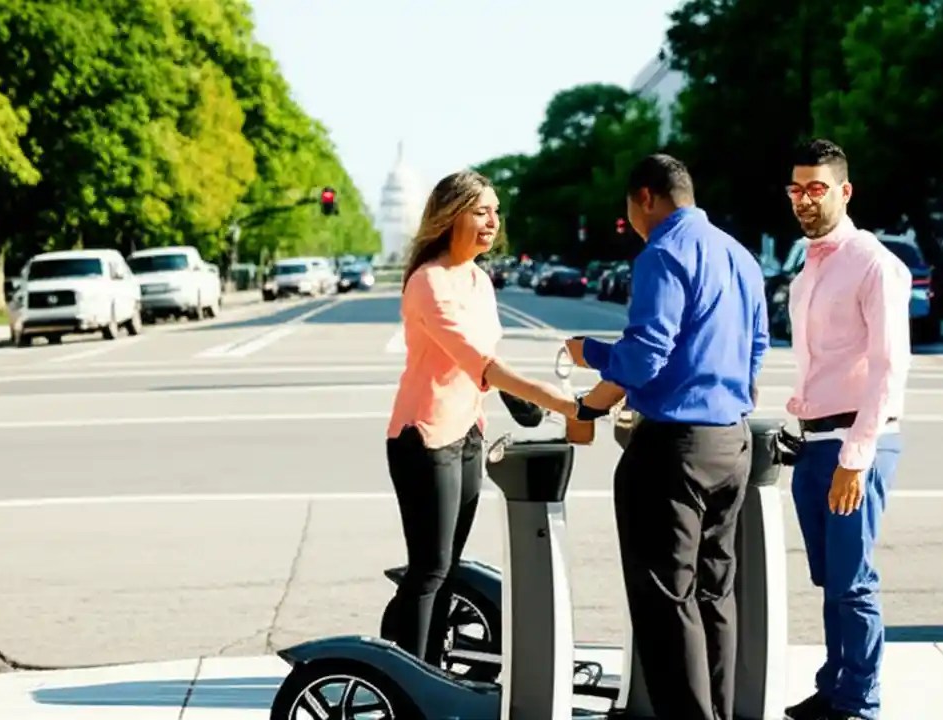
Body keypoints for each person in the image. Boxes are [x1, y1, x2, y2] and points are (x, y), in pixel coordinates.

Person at [563, 153, 770, 720]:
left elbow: (645, 354)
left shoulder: (663, 253)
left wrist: (591, 373)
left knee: (667, 606)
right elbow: (757, 348)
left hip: (674, 449)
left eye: (630, 208)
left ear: (646, 197)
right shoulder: (739, 255)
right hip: (733, 441)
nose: (630, 219)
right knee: (713, 596)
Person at [381, 169, 578, 667]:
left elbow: (488, 352)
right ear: (451, 217)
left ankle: (423, 663)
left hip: (468, 432)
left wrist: (521, 403)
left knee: (448, 570)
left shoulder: (478, 279)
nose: (492, 221)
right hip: (423, 435)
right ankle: (410, 673)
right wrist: (562, 403)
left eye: (495, 211)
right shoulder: (429, 282)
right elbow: (479, 361)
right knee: (431, 568)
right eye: (480, 211)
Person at [781, 138, 911, 720]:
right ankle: (834, 687)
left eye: (816, 189)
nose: (804, 200)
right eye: (796, 189)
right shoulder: (807, 271)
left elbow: (888, 368)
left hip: (856, 443)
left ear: (844, 191)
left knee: (853, 582)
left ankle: (860, 702)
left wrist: (855, 459)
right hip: (813, 442)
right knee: (830, 580)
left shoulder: (876, 264)